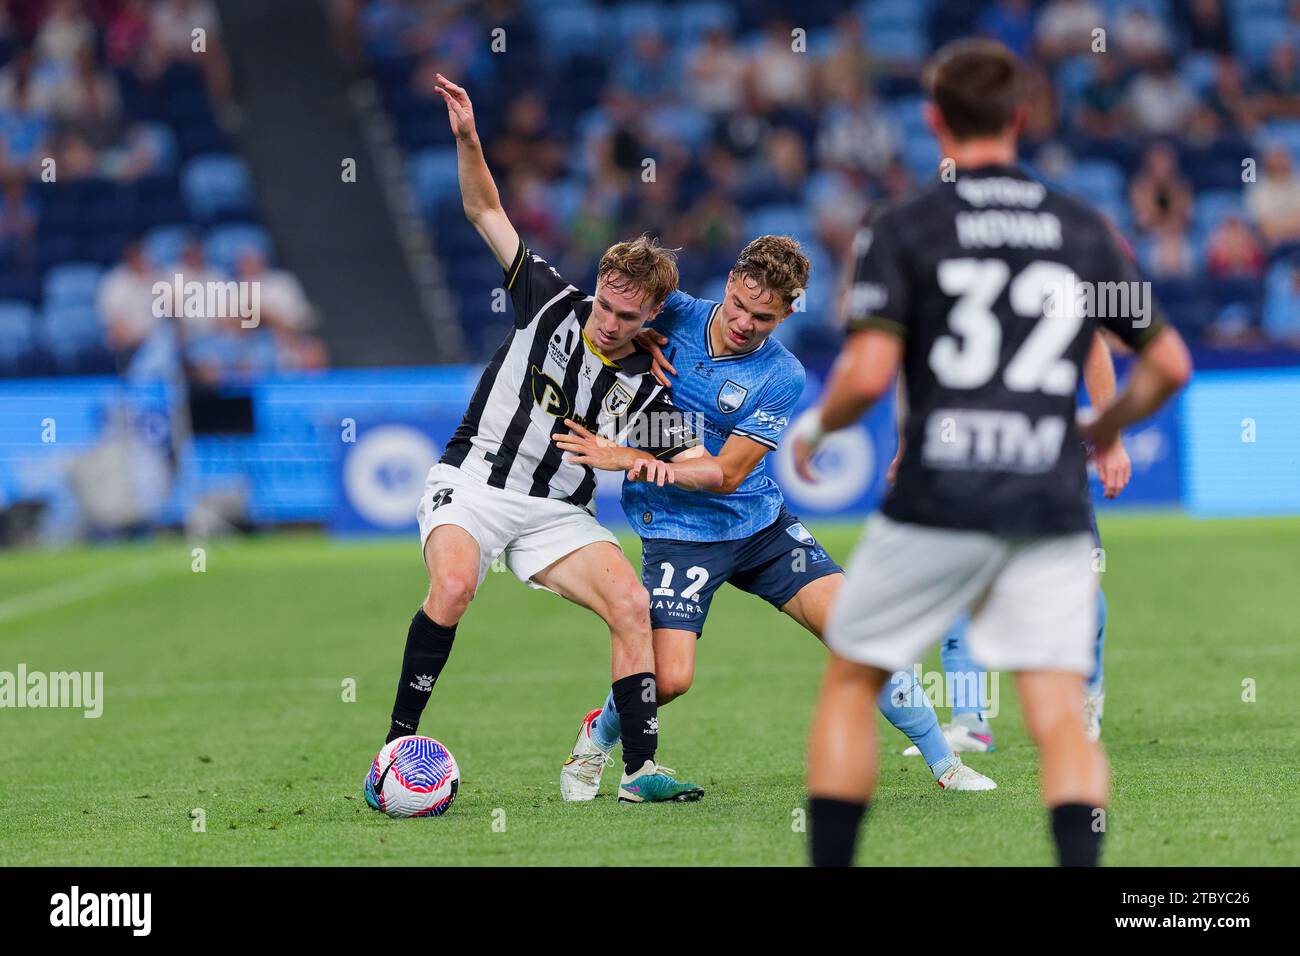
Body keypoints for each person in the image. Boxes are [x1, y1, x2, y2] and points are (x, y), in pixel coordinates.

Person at [795, 39, 1192, 867]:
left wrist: (818, 430)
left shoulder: (905, 227)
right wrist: (1104, 426)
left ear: (934, 123)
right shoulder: (1081, 228)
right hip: (1044, 502)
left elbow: (868, 373)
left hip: (937, 496)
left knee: (852, 682)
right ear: (1021, 118)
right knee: (1055, 706)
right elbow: (1170, 364)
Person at [553, 236, 996, 802]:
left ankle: (946, 764)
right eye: (738, 304)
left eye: (763, 317)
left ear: (788, 312)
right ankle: (597, 735)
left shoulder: (782, 375)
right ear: (730, 284)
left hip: (759, 525)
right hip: (677, 530)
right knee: (669, 679)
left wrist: (626, 457)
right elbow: (595, 312)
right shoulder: (672, 310)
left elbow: (726, 475)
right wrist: (630, 334)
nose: (743, 322)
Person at [372, 74, 707, 806]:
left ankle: (639, 770)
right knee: (455, 585)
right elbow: (484, 208)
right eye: (608, 304)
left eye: (629, 315)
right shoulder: (551, 300)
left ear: (653, 311)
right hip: (473, 483)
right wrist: (467, 139)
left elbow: (694, 465)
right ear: (599, 283)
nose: (610, 322)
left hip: (557, 513)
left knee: (632, 606)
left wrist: (639, 458)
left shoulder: (647, 387)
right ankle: (395, 746)